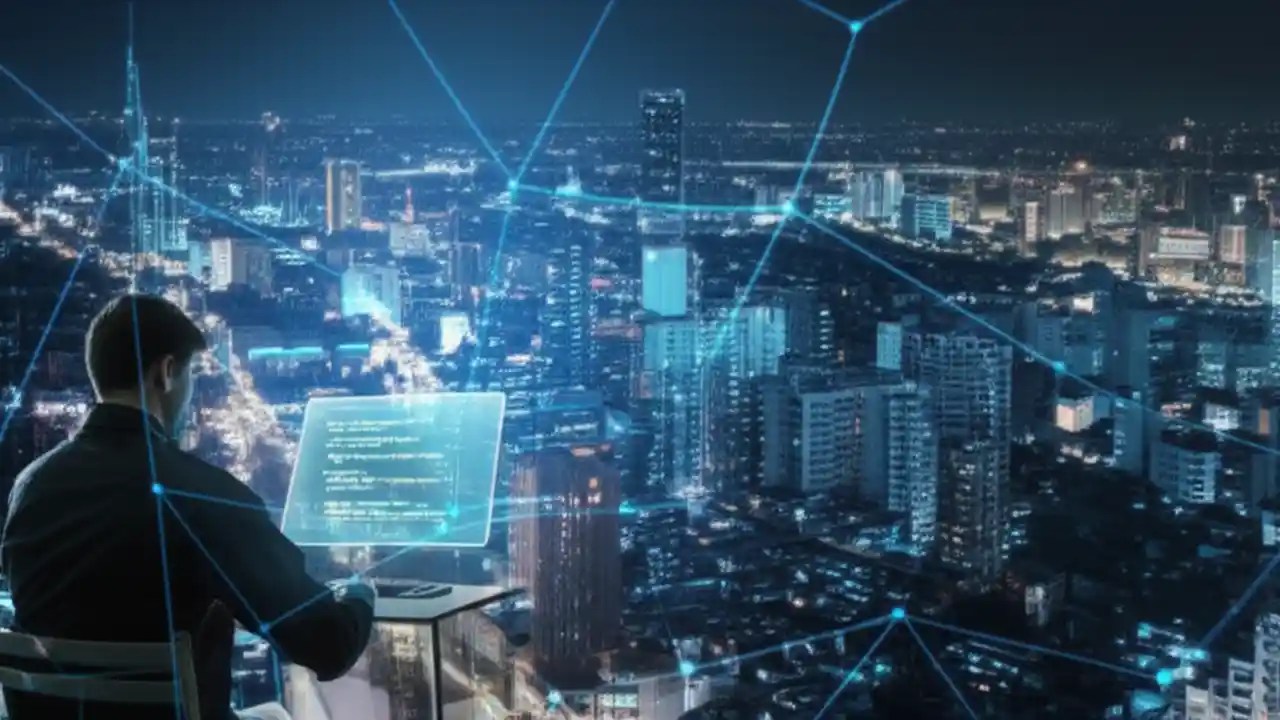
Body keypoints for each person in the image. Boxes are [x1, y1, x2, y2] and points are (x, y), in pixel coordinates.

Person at [0, 294, 375, 720]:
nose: (192, 393)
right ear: (166, 372)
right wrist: (362, 594)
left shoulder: (30, 486)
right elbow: (328, 647)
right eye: (192, 375)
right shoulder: (202, 495)